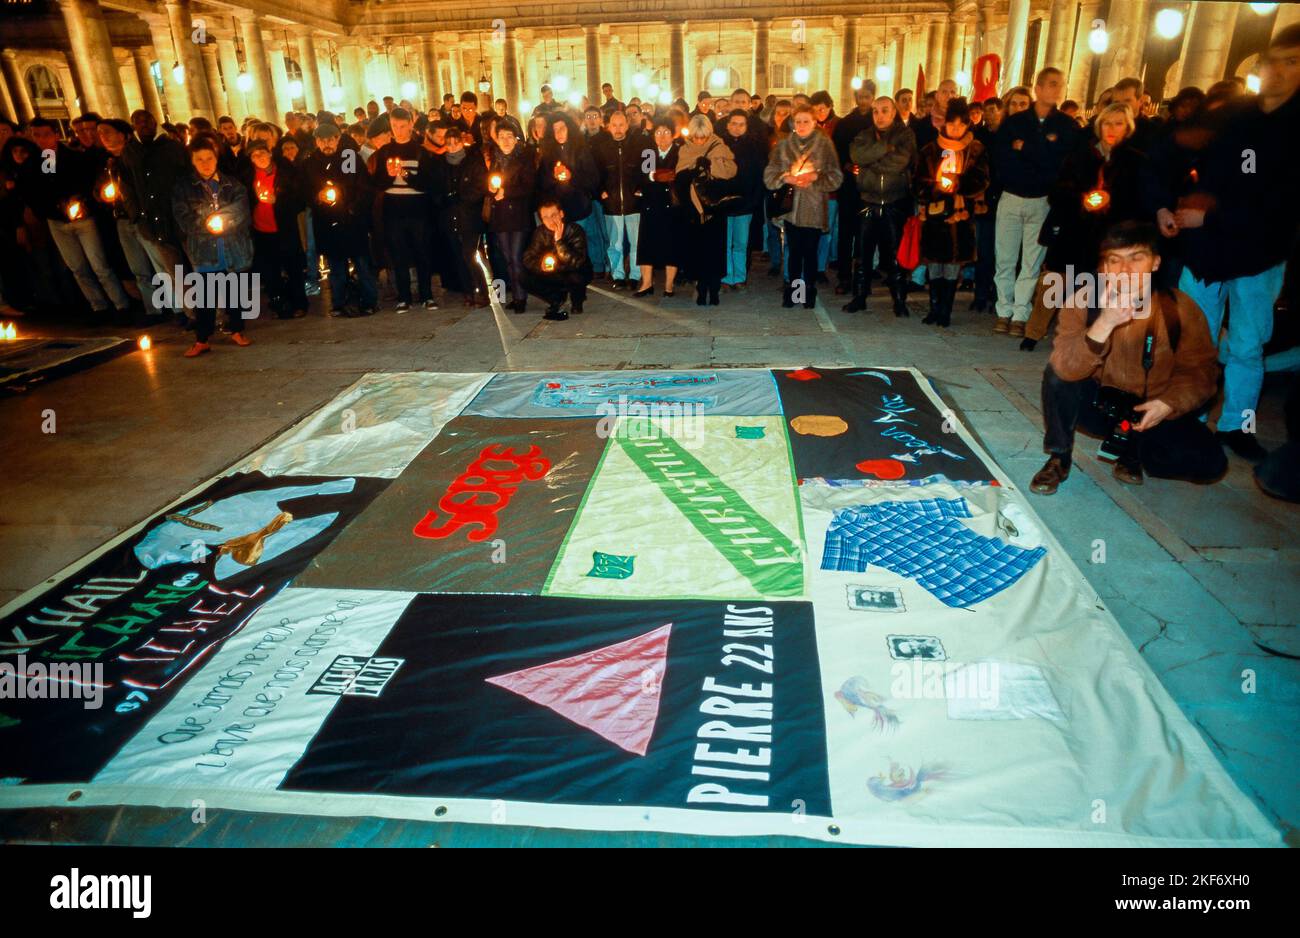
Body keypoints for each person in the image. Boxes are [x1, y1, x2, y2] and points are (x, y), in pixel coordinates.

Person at [1158, 24, 1300, 463]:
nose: (1278, 70)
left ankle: (1238, 425)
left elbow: (1282, 202)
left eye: (1292, 62)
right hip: (1205, 253)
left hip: (1259, 256)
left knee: (1246, 345)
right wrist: (1165, 206)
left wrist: (1213, 214)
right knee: (1192, 339)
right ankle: (1188, 416)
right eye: (1274, 59)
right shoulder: (1231, 114)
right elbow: (1169, 153)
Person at [1030, 222, 1224, 493]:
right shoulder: (1083, 300)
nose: (1125, 270)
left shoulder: (1179, 308)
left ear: (1155, 263)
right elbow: (1065, 367)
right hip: (1098, 405)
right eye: (1115, 260)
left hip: (1150, 411)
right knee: (1057, 374)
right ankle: (1058, 457)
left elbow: (1201, 371)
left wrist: (1169, 404)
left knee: (1210, 463)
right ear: (1103, 267)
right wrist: (1102, 326)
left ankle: (1134, 452)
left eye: (1137, 259)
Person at [1023, 102, 1147, 349]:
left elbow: (1140, 200)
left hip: (1112, 235)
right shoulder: (1081, 155)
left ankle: (1095, 335)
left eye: (1119, 124)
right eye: (1107, 123)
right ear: (1099, 126)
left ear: (1128, 128)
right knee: (1057, 280)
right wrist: (1082, 199)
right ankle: (1033, 333)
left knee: (1103, 287)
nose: (1112, 129)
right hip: (1075, 229)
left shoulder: (1135, 161)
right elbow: (1057, 191)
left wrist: (1113, 201)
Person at [20, 118, 133, 323]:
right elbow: (33, 191)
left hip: (82, 218)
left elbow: (85, 182)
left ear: (55, 135)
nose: (41, 140)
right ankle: (98, 306)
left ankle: (121, 304)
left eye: (45, 134)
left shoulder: (73, 157)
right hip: (57, 221)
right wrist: (52, 209)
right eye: (36, 135)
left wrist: (79, 200)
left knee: (99, 263)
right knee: (77, 267)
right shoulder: (34, 163)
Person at [992, 67, 1077, 336]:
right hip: (1012, 196)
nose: (1056, 90)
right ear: (1038, 89)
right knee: (1004, 258)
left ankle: (1020, 313)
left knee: (1031, 260)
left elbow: (1059, 163)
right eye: (1051, 84)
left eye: (1060, 85)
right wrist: (1042, 151)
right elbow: (1003, 160)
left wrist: (1027, 149)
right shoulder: (1014, 123)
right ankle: (1003, 310)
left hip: (1042, 199)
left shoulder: (1065, 125)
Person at [172, 136, 254, 356]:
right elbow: (182, 217)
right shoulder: (185, 188)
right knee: (205, 296)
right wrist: (206, 223)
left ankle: (236, 328)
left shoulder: (231, 184)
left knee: (234, 292)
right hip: (204, 250)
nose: (205, 163)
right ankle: (202, 338)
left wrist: (223, 220)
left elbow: (241, 210)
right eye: (200, 160)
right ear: (193, 161)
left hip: (232, 248)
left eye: (209, 158)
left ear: (216, 159)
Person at [912, 98, 989, 328]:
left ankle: (946, 310)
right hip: (935, 216)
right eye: (952, 124)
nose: (956, 129)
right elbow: (917, 183)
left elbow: (981, 180)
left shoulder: (975, 150)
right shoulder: (930, 149)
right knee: (935, 262)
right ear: (944, 124)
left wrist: (958, 183)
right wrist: (936, 187)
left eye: (961, 124)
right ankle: (934, 308)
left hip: (960, 215)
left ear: (967, 125)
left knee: (953, 264)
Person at [764, 103, 844, 310]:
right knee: (793, 251)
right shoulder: (783, 145)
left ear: (814, 122)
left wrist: (816, 177)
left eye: (805, 121)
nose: (801, 125)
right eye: (797, 121)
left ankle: (808, 291)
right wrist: (785, 177)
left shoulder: (824, 144)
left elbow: (836, 176)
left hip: (814, 207)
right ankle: (794, 291)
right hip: (790, 208)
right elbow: (769, 175)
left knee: (810, 252)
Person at [844, 95, 917, 316]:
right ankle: (860, 296)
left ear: (893, 112)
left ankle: (899, 300)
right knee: (863, 252)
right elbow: (857, 155)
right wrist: (885, 148)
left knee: (895, 254)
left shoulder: (905, 134)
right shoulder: (865, 135)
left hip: (895, 201)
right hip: (869, 199)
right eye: (876, 111)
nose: (880, 115)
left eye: (885, 110)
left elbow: (899, 162)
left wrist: (871, 161)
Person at [302, 122, 378, 317]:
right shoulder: (311, 163)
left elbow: (360, 185)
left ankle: (369, 301)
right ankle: (338, 302)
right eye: (322, 140)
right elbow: (305, 191)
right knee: (336, 266)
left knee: (361, 263)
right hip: (327, 221)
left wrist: (351, 206)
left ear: (337, 139)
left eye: (331, 139)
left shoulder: (348, 157)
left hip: (351, 220)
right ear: (316, 141)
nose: (327, 144)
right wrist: (317, 197)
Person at [370, 107, 437, 312]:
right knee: (398, 256)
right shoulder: (384, 153)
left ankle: (426, 295)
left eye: (402, 126)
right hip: (393, 212)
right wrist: (390, 175)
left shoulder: (420, 151)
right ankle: (404, 297)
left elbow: (428, 183)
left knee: (421, 253)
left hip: (417, 211)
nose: (398, 130)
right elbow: (377, 184)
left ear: (410, 125)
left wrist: (406, 174)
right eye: (394, 126)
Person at [674, 114, 738, 306]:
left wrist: (712, 167)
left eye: (703, 137)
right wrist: (692, 170)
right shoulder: (685, 150)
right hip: (694, 211)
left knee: (716, 251)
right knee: (698, 252)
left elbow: (731, 172)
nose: (700, 141)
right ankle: (701, 289)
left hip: (715, 208)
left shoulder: (720, 147)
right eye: (696, 137)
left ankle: (715, 289)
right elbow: (679, 179)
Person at [241, 139, 308, 319]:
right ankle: (279, 304)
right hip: (261, 231)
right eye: (254, 156)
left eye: (262, 153)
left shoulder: (286, 172)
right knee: (270, 271)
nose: (259, 157)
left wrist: (279, 201)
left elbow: (300, 199)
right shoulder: (248, 177)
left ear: (270, 152)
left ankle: (299, 303)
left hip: (285, 228)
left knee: (293, 267)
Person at [429, 126, 490, 307]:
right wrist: (443, 199)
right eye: (449, 144)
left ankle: (482, 291)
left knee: (468, 254)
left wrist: (462, 196)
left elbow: (480, 186)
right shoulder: (441, 164)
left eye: (456, 143)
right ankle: (468, 291)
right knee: (458, 255)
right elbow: (435, 187)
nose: (453, 147)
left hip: (470, 215)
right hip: (450, 215)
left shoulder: (472, 161)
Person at [486, 118, 536, 313]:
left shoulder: (524, 159)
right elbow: (490, 183)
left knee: (516, 257)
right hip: (500, 217)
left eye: (509, 136)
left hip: (518, 215)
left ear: (516, 139)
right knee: (507, 257)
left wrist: (506, 192)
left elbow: (528, 185)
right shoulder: (496, 160)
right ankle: (516, 294)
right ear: (496, 140)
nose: (505, 140)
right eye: (501, 137)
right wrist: (491, 189)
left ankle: (521, 297)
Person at [832, 81, 877, 294]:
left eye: (867, 96)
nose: (863, 101)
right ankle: (843, 276)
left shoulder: (878, 123)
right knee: (846, 233)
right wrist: (847, 164)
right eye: (860, 96)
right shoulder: (846, 123)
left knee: (866, 235)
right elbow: (837, 151)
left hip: (871, 187)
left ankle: (862, 278)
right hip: (849, 186)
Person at [592, 109, 643, 288]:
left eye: (621, 125)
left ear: (627, 126)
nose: (618, 128)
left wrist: (641, 190)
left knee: (637, 242)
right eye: (614, 125)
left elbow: (647, 170)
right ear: (609, 127)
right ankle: (618, 275)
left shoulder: (638, 146)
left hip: (634, 202)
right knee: (615, 243)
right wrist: (601, 192)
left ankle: (636, 275)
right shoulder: (601, 149)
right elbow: (595, 174)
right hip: (612, 203)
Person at [633, 119, 683, 298]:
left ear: (673, 134)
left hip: (672, 205)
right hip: (650, 204)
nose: (662, 137)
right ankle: (647, 283)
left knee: (672, 244)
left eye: (666, 132)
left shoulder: (679, 151)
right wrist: (655, 176)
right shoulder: (649, 153)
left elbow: (680, 174)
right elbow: (643, 177)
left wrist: (670, 176)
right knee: (647, 243)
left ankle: (669, 284)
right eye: (658, 133)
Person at [522, 198, 592, 321]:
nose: (551, 220)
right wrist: (541, 265)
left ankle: (578, 299)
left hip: (573, 270)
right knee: (523, 277)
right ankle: (556, 299)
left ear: (561, 214)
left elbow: (577, 261)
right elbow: (528, 257)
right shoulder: (540, 233)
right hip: (553, 273)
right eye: (546, 217)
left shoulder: (575, 230)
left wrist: (559, 242)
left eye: (554, 215)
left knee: (576, 277)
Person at [720, 110, 765, 290]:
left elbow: (758, 176)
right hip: (724, 202)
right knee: (724, 242)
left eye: (741, 124)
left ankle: (739, 276)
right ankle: (725, 276)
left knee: (740, 242)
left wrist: (754, 200)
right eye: (734, 124)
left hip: (745, 203)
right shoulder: (719, 145)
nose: (737, 128)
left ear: (746, 127)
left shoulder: (753, 147)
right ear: (727, 125)